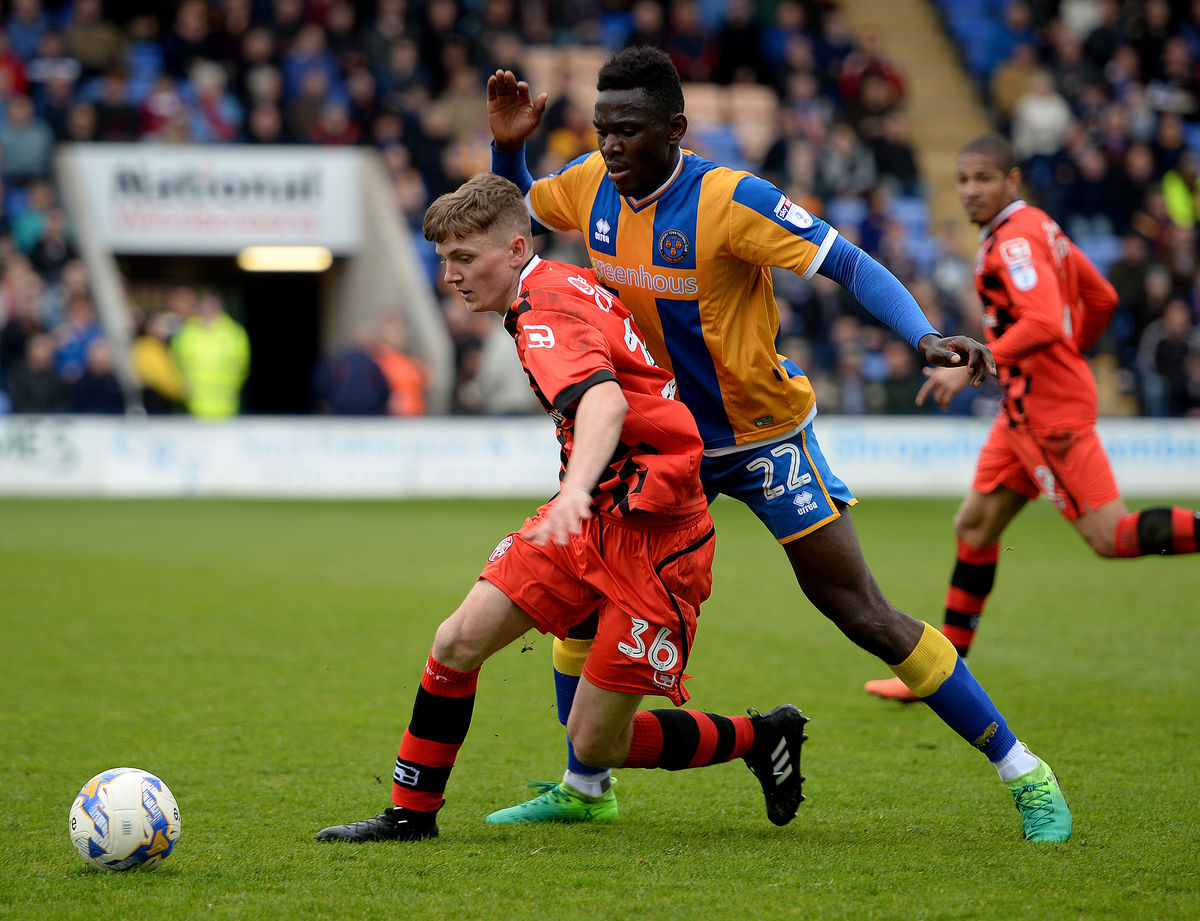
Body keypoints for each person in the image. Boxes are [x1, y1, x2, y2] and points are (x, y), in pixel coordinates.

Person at [486, 46, 1070, 842]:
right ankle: (585, 784)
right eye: (602, 129)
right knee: (580, 599)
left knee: (857, 609)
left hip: (758, 440)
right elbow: (515, 209)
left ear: (676, 129)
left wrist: (925, 334)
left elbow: (850, 265)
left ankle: (1024, 769)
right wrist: (508, 148)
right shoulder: (590, 183)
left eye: (629, 131)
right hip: (659, 448)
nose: (611, 146)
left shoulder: (734, 200)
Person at [315, 173, 809, 843]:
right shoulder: (557, 279)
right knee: (456, 642)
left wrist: (575, 490)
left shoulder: (542, 314)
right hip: (596, 516)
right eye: (444, 260)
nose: (451, 276)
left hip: (657, 539)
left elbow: (603, 401)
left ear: (516, 248)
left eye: (465, 258)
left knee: (597, 742)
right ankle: (410, 815)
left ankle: (760, 734)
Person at [866, 134, 1200, 701]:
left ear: (1012, 181)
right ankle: (940, 682)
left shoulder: (1013, 243)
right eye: (963, 180)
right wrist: (1072, 354)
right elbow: (1100, 300)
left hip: (1047, 415)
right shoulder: (1037, 226)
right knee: (973, 527)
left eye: (984, 179)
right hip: (1020, 413)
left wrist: (977, 359)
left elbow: (1045, 320)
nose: (971, 190)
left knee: (1111, 535)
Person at [171, 292, 250, 419]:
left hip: (226, 406)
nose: (208, 312)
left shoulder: (235, 333)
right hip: (191, 406)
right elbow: (174, 364)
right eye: (205, 308)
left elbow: (242, 366)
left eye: (212, 308)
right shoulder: (187, 331)